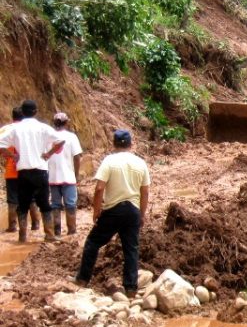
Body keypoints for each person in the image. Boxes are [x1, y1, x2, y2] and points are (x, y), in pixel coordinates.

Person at [75, 129, 150, 297]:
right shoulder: (140, 163)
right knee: (131, 249)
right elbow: (145, 192)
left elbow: (99, 188)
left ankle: (83, 279)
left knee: (93, 242)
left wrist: (96, 210)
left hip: (113, 210)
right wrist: (142, 214)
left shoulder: (109, 161)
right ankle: (131, 288)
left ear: (114, 144)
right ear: (131, 144)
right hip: (132, 210)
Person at [0, 100, 65, 242]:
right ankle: (49, 234)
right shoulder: (43, 127)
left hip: (23, 172)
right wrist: (48, 154)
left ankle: (22, 236)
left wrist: (12, 155)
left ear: (22, 112)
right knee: (44, 203)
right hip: (40, 170)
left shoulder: (15, 129)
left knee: (22, 204)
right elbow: (61, 140)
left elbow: (1, 143)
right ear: (35, 112)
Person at [48, 112, 84, 236]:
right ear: (66, 123)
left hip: (52, 177)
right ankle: (71, 231)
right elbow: (77, 157)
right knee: (70, 204)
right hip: (68, 177)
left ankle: (56, 231)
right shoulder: (71, 137)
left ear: (54, 123)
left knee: (55, 205)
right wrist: (77, 173)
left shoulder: (48, 137)